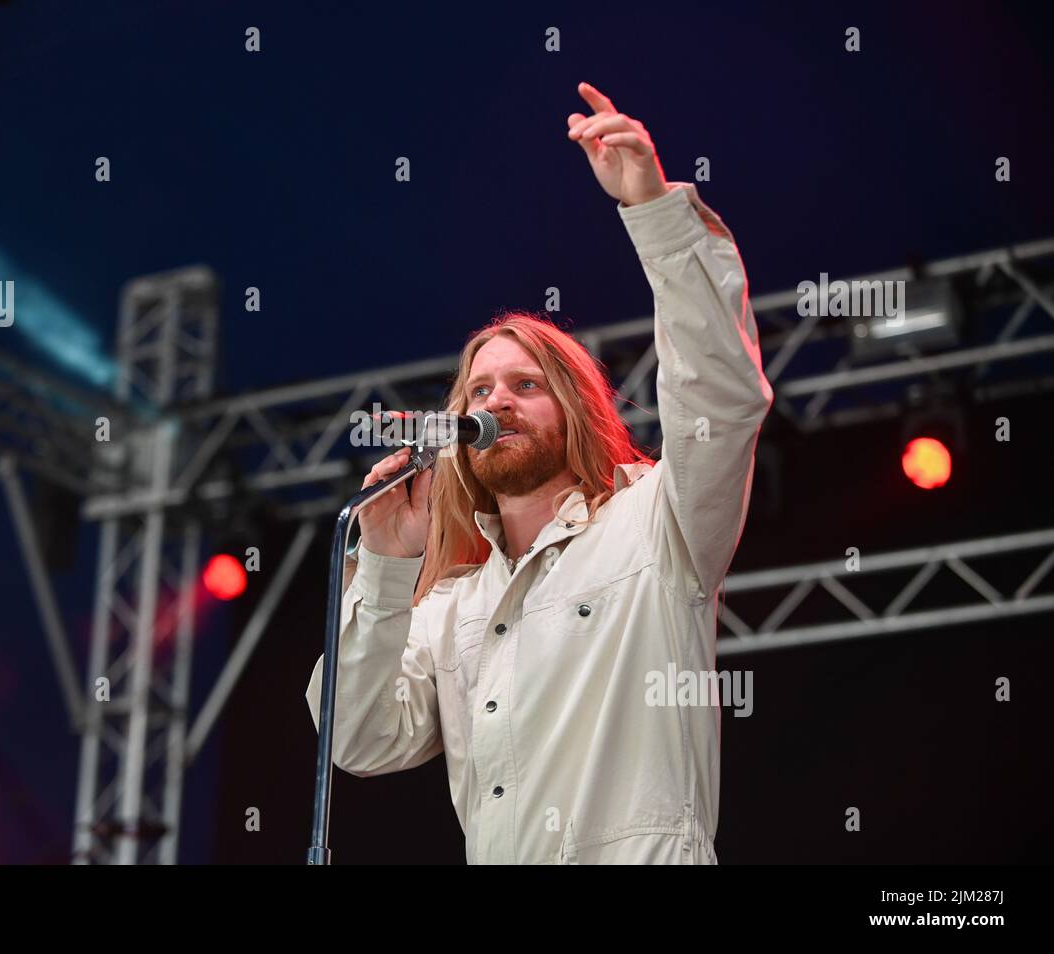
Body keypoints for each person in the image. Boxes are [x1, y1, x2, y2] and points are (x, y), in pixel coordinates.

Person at [305, 81, 773, 864]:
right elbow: (357, 739)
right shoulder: (455, 605)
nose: (499, 402)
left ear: (577, 409)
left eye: (526, 386)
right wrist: (385, 568)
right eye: (480, 391)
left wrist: (652, 211)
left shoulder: (656, 525)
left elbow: (719, 398)